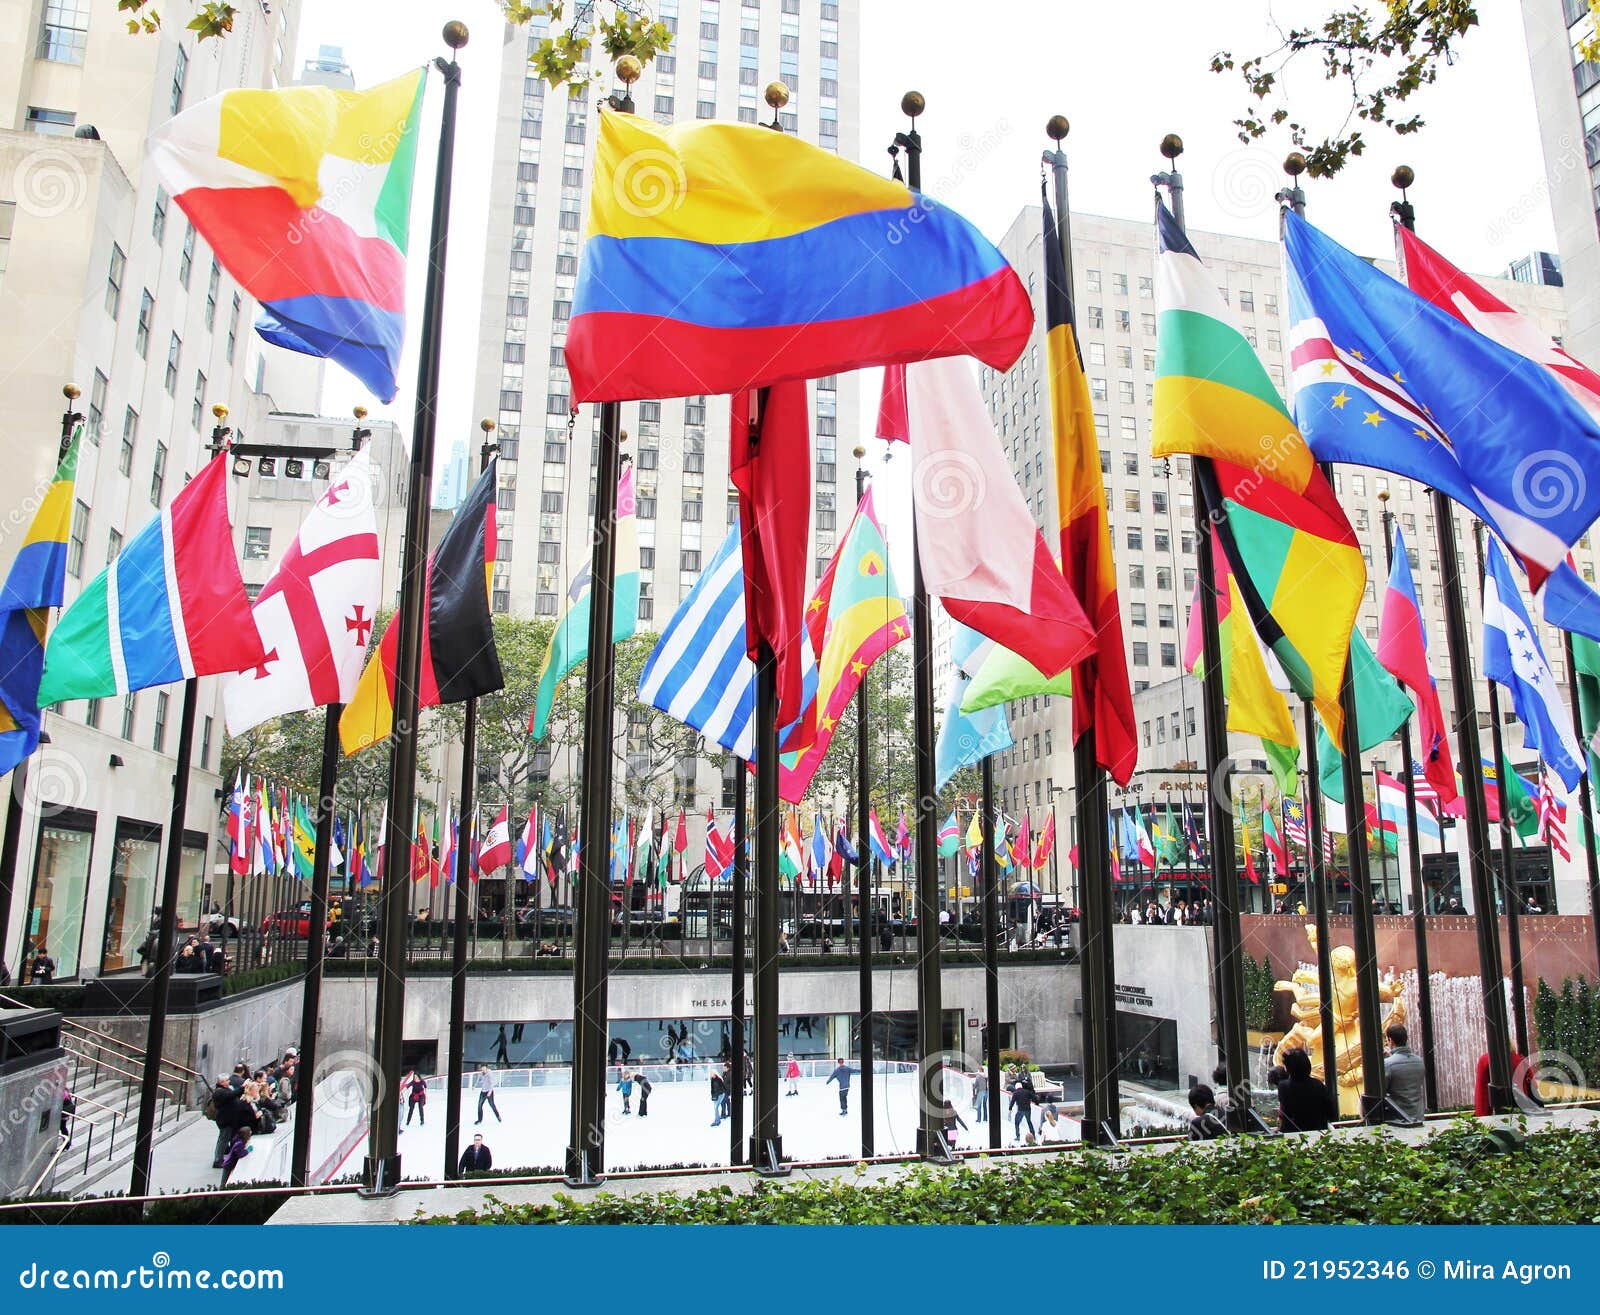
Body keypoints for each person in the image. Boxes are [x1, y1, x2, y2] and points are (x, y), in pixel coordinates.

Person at [1276, 1046, 1332, 1133]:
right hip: (1318, 1132)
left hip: (1292, 1134)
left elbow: (1285, 1112)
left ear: (1288, 1068)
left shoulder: (1283, 1086)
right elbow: (1330, 1111)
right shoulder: (1318, 1085)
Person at [1382, 1024, 1426, 1126]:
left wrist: (1387, 1059)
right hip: (1418, 1116)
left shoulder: (1388, 1063)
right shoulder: (1419, 1061)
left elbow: (1382, 1091)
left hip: (1398, 1119)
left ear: (1391, 1040)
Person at [1474, 1049, 1539, 1115]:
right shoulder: (1520, 1060)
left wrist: (1482, 1116)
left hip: (1498, 1112)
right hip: (1522, 1111)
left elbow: (1482, 1092)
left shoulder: (1485, 1060)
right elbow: (1534, 1085)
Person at [1008, 1068, 1038, 1142]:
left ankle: (1018, 1136)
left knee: (1017, 1123)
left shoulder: (1015, 1093)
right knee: (1029, 1122)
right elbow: (1034, 1097)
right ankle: (1033, 1135)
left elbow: (1012, 1101)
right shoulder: (1027, 1091)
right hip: (1028, 1109)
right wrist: (1037, 1103)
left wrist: (1010, 1108)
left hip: (1020, 1110)